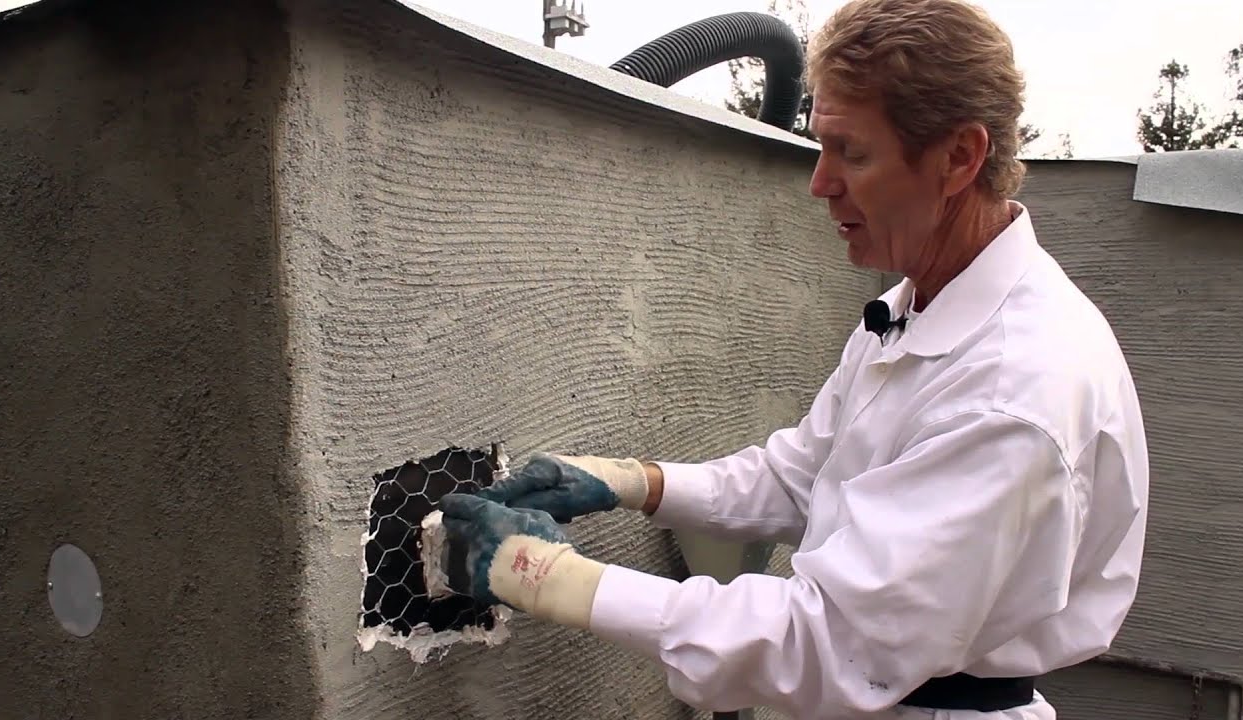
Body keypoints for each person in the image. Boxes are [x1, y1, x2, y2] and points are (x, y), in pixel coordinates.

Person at [438, 0, 1150, 717]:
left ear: (959, 157)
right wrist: (633, 483)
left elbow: (828, 646)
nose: (820, 182)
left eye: (855, 153)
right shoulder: (915, 306)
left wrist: (549, 577)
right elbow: (804, 475)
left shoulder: (1013, 391)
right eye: (823, 146)